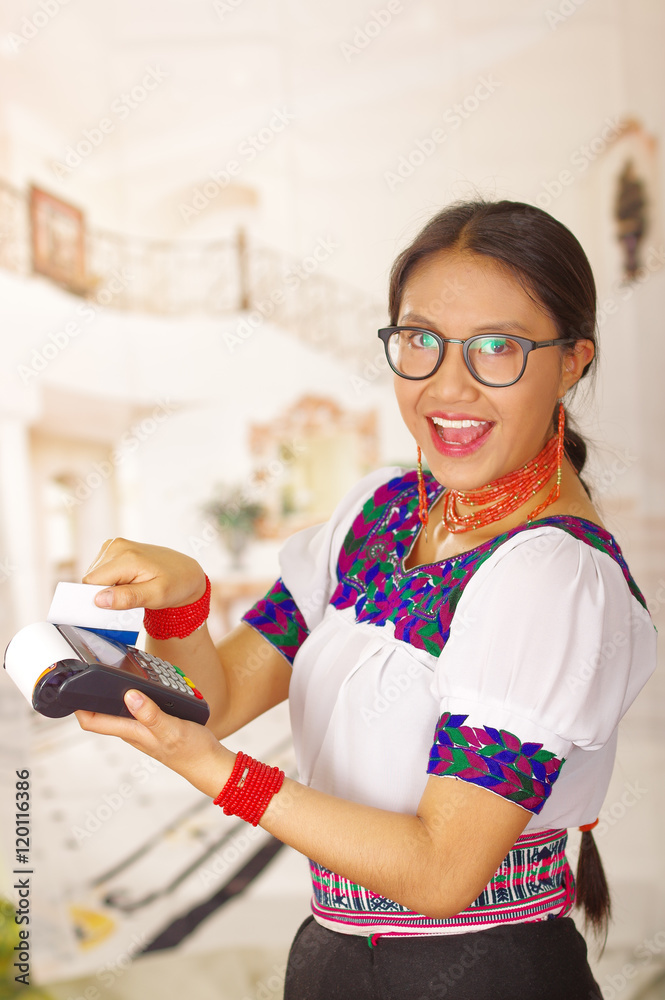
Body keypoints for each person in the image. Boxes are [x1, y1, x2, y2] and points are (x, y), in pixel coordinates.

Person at [78, 200, 657, 1000]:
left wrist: (215, 774)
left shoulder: (552, 576)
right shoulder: (381, 510)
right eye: (419, 339)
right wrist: (182, 605)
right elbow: (216, 698)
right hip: (331, 955)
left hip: (480, 974)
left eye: (498, 347)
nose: (447, 387)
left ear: (571, 362)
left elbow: (439, 870)